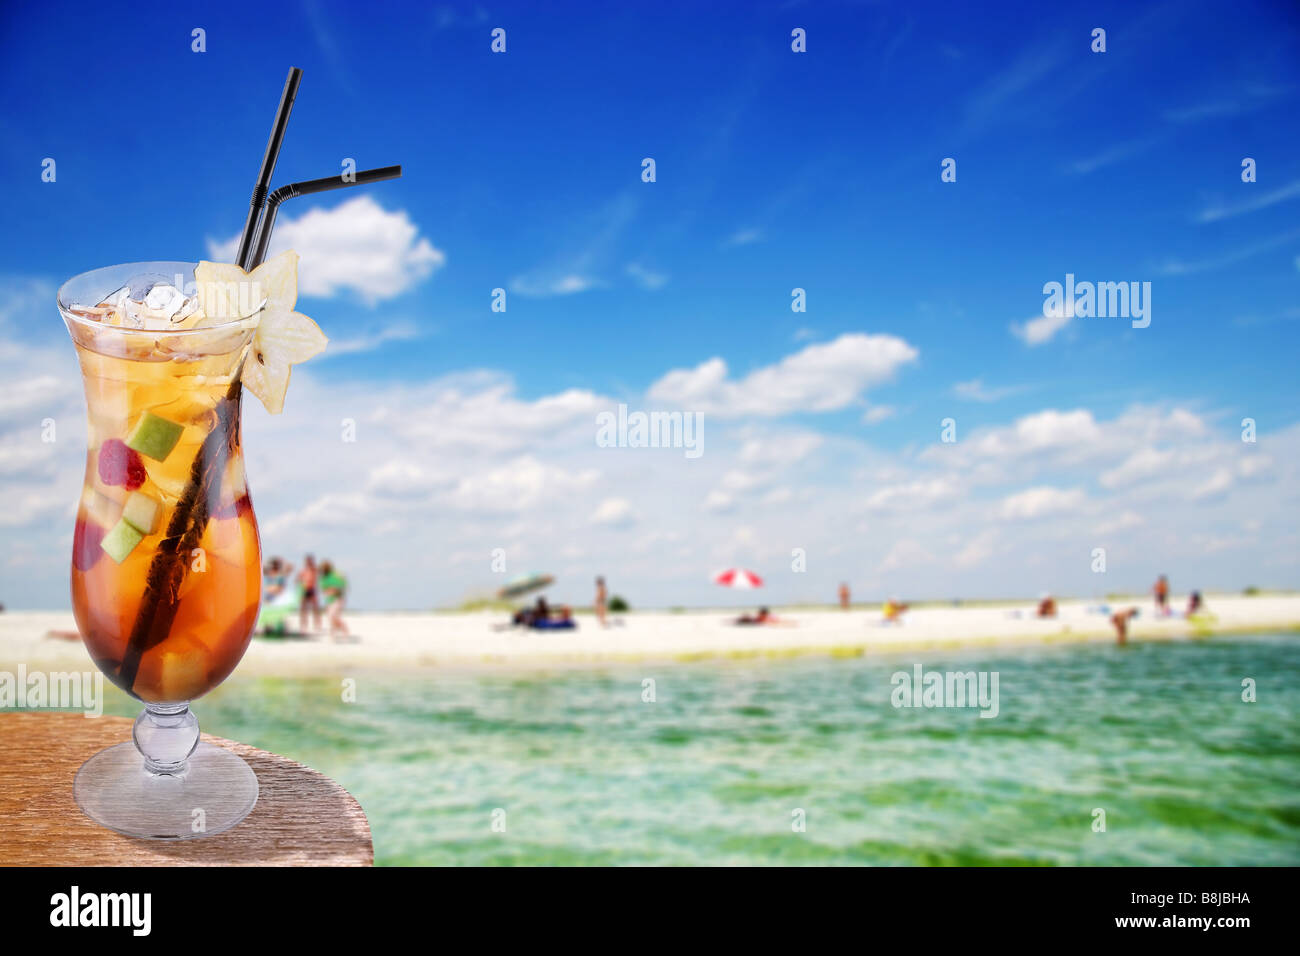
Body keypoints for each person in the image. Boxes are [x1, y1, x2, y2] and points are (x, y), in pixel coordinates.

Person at [320, 560, 350, 641]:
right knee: (331, 618)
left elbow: (342, 586)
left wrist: (333, 590)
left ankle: (345, 630)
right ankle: (333, 635)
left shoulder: (335, 575)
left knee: (333, 616)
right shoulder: (323, 578)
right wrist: (330, 591)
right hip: (329, 600)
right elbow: (324, 590)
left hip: (338, 599)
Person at [298, 554, 322, 634]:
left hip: (312, 589)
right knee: (303, 609)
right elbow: (298, 579)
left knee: (315, 608)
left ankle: (317, 624)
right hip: (305, 589)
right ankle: (303, 625)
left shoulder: (314, 570)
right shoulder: (303, 570)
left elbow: (318, 577)